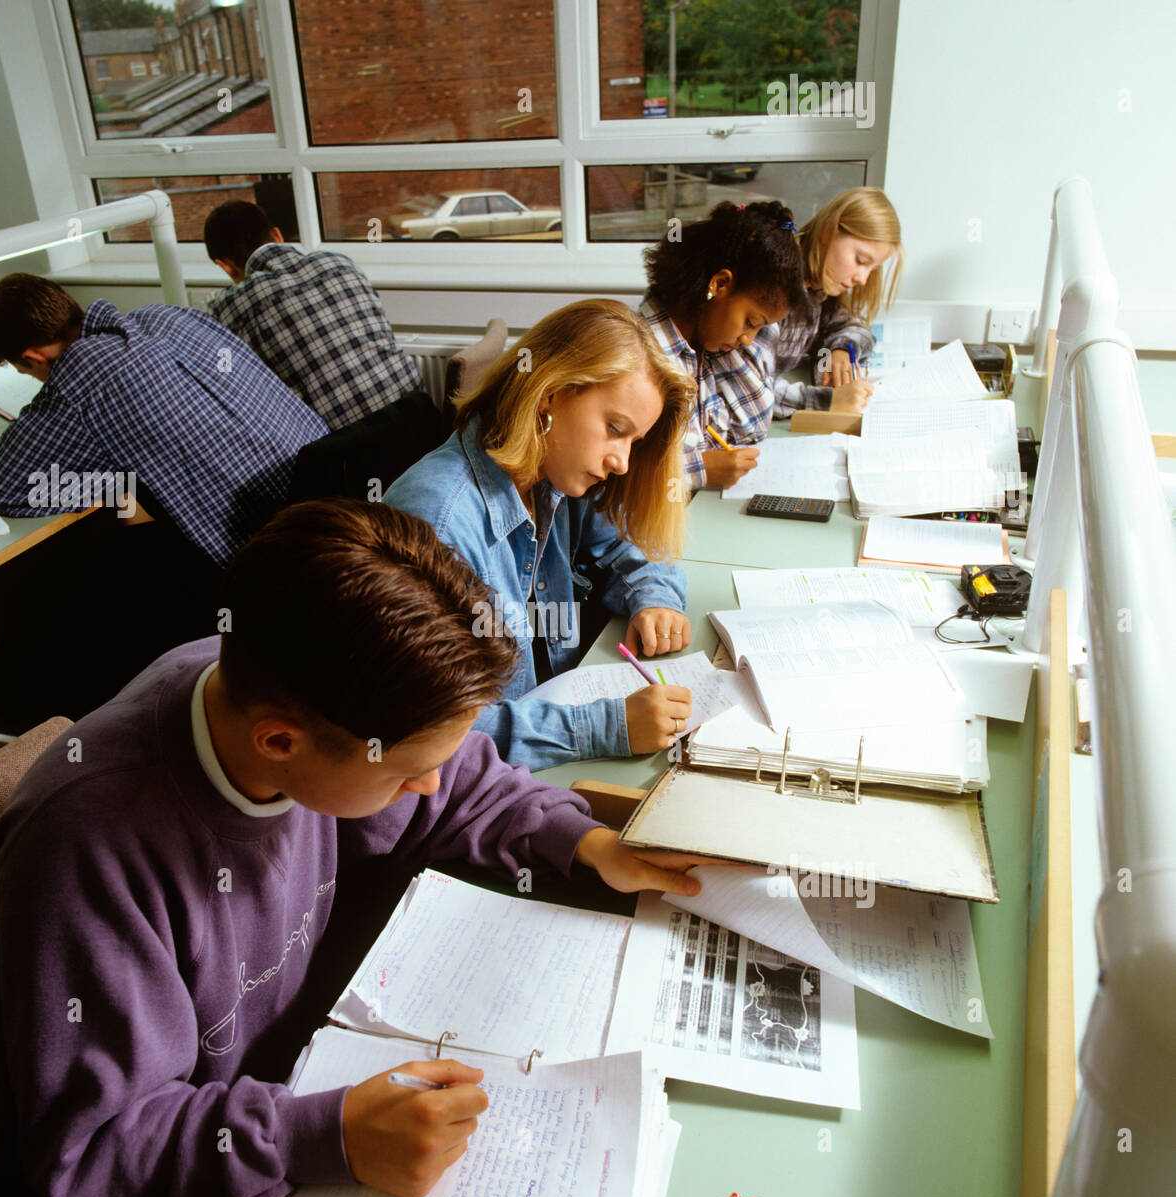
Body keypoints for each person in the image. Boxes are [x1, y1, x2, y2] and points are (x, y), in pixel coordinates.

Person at [0, 498, 704, 1197]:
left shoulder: (286, 692)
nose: (429, 785)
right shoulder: (90, 851)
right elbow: (98, 1148)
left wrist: (585, 842)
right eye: (404, 773)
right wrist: (323, 1138)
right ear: (281, 744)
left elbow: (457, 779)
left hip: (256, 1073)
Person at [385, 299, 696, 771]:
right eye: (614, 429)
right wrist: (603, 727)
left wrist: (653, 598)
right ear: (549, 393)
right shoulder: (438, 522)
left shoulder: (550, 471)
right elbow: (429, 733)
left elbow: (626, 547)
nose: (623, 462)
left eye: (633, 441)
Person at [0, 273, 328, 568]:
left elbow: (3, 486)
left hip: (277, 557)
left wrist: (116, 475)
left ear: (33, 356)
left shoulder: (80, 376)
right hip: (334, 515)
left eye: (24, 370)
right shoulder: (170, 315)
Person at [205, 200, 422, 429]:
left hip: (343, 449)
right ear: (277, 235)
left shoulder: (228, 305)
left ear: (226, 266)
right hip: (416, 421)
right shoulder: (340, 263)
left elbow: (232, 385)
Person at [639, 199, 808, 492]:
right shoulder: (643, 357)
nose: (748, 340)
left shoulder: (700, 343)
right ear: (719, 284)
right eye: (750, 322)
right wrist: (699, 470)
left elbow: (750, 428)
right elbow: (616, 473)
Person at [751, 186, 902, 418]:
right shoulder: (773, 285)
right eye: (860, 260)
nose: (862, 279)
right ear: (827, 232)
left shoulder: (818, 289)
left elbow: (853, 327)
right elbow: (752, 387)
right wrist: (829, 401)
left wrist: (841, 348)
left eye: (872, 268)